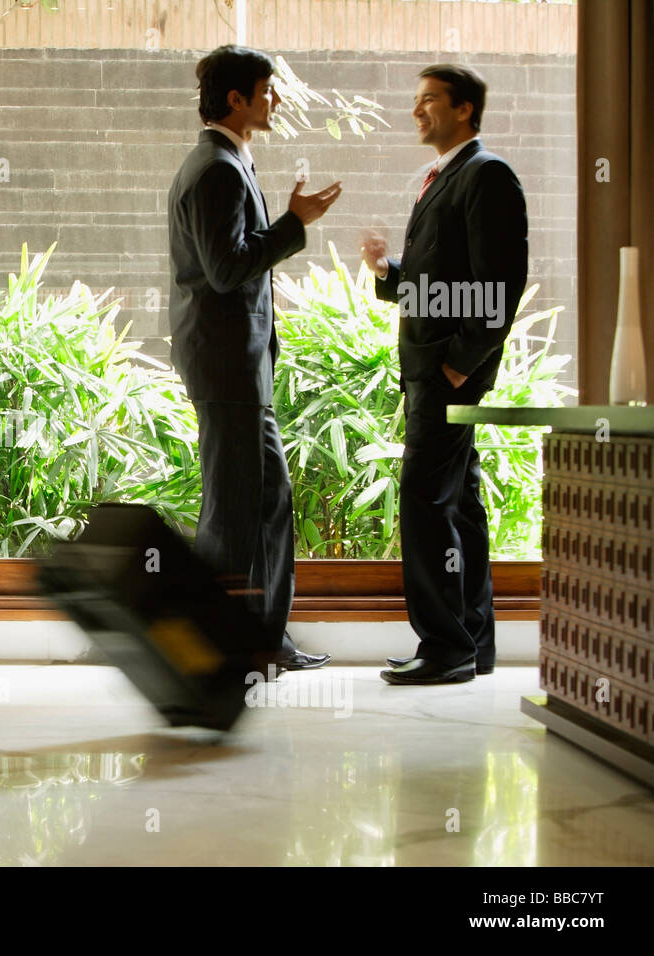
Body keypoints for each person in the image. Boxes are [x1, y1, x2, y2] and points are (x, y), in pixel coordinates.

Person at [167, 45, 340, 667]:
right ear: (236, 99)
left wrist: (292, 222)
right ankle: (237, 643)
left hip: (229, 363)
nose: (277, 99)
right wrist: (294, 225)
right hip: (227, 364)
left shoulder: (223, 161)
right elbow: (226, 268)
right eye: (267, 90)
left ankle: (255, 639)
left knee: (253, 501)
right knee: (244, 506)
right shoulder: (215, 168)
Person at [361, 65, 528, 685]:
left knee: (425, 503)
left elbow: (500, 281)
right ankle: (473, 643)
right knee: (458, 503)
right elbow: (444, 283)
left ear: (464, 109)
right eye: (416, 100)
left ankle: (444, 648)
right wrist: (390, 271)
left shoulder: (487, 176)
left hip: (449, 374)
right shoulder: (449, 176)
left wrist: (460, 361)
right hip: (434, 371)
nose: (417, 110)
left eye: (429, 100)